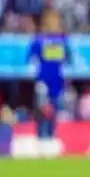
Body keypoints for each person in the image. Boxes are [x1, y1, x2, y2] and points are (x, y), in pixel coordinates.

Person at [26, 11, 70, 153]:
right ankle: (41, 138)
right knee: (42, 111)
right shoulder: (38, 41)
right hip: (43, 82)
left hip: (57, 82)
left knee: (55, 112)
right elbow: (29, 59)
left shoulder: (63, 41)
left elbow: (69, 59)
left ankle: (51, 139)